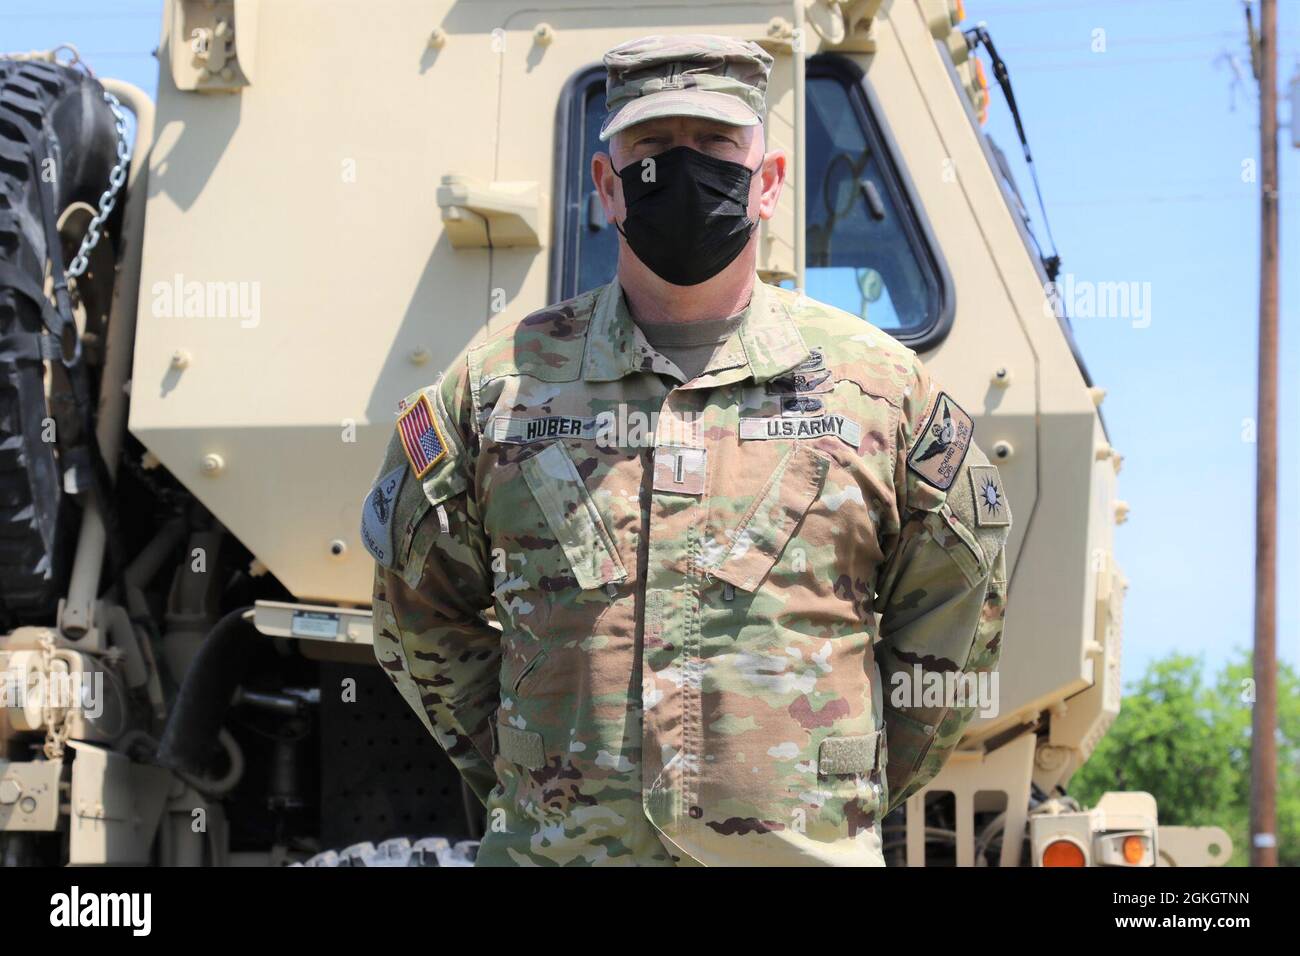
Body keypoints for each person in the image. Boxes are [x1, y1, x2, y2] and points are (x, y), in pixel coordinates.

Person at [363, 34, 1010, 866]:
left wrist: (837, 787)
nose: (683, 168)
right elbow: (416, 611)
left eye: (714, 145)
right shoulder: (496, 391)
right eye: (651, 147)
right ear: (607, 187)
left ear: (769, 182)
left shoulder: (880, 392)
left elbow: (957, 619)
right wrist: (539, 772)